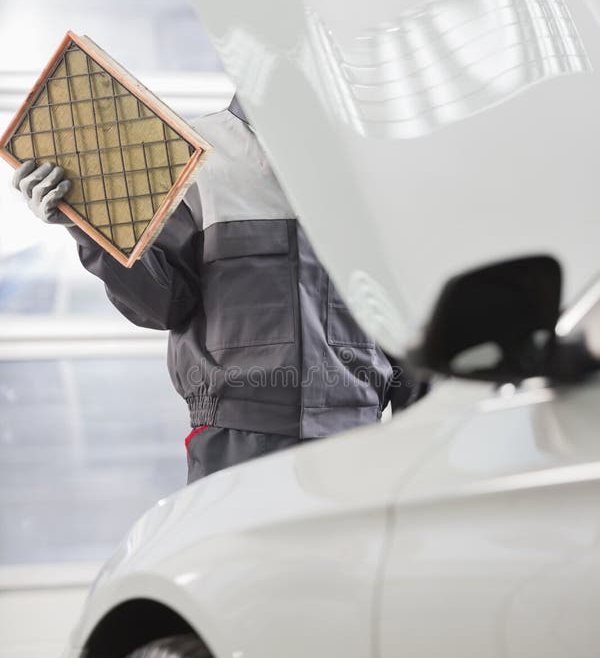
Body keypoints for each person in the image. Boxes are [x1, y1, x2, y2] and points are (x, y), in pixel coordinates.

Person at [12, 95, 423, 482]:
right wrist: (88, 224)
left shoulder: (377, 165)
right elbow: (162, 305)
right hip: (235, 445)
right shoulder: (191, 157)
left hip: (359, 446)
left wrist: (431, 449)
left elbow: (417, 323)